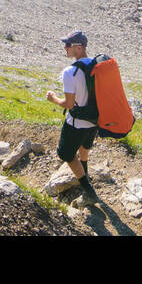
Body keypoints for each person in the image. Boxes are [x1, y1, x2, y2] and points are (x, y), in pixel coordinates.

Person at [45, 30, 97, 198]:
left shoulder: (70, 72)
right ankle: (85, 171)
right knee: (84, 145)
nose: (65, 48)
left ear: (79, 48)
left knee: (65, 154)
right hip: (95, 120)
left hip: (76, 122)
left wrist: (53, 99)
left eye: (68, 45)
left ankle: (88, 190)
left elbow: (68, 103)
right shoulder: (97, 66)